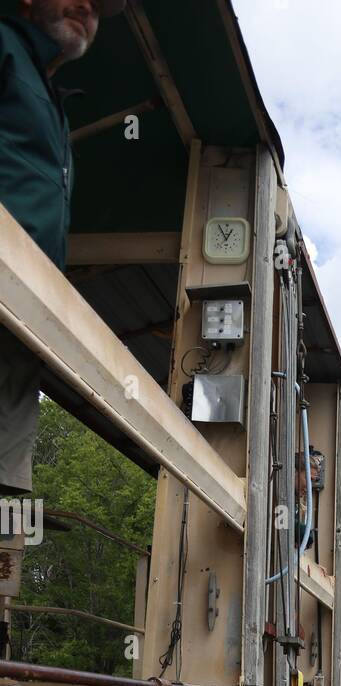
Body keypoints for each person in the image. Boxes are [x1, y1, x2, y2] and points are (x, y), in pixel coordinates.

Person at [0, 0, 126, 498]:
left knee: (7, 493)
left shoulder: (53, 100)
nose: (88, 8)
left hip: (21, 323)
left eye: (100, 7)